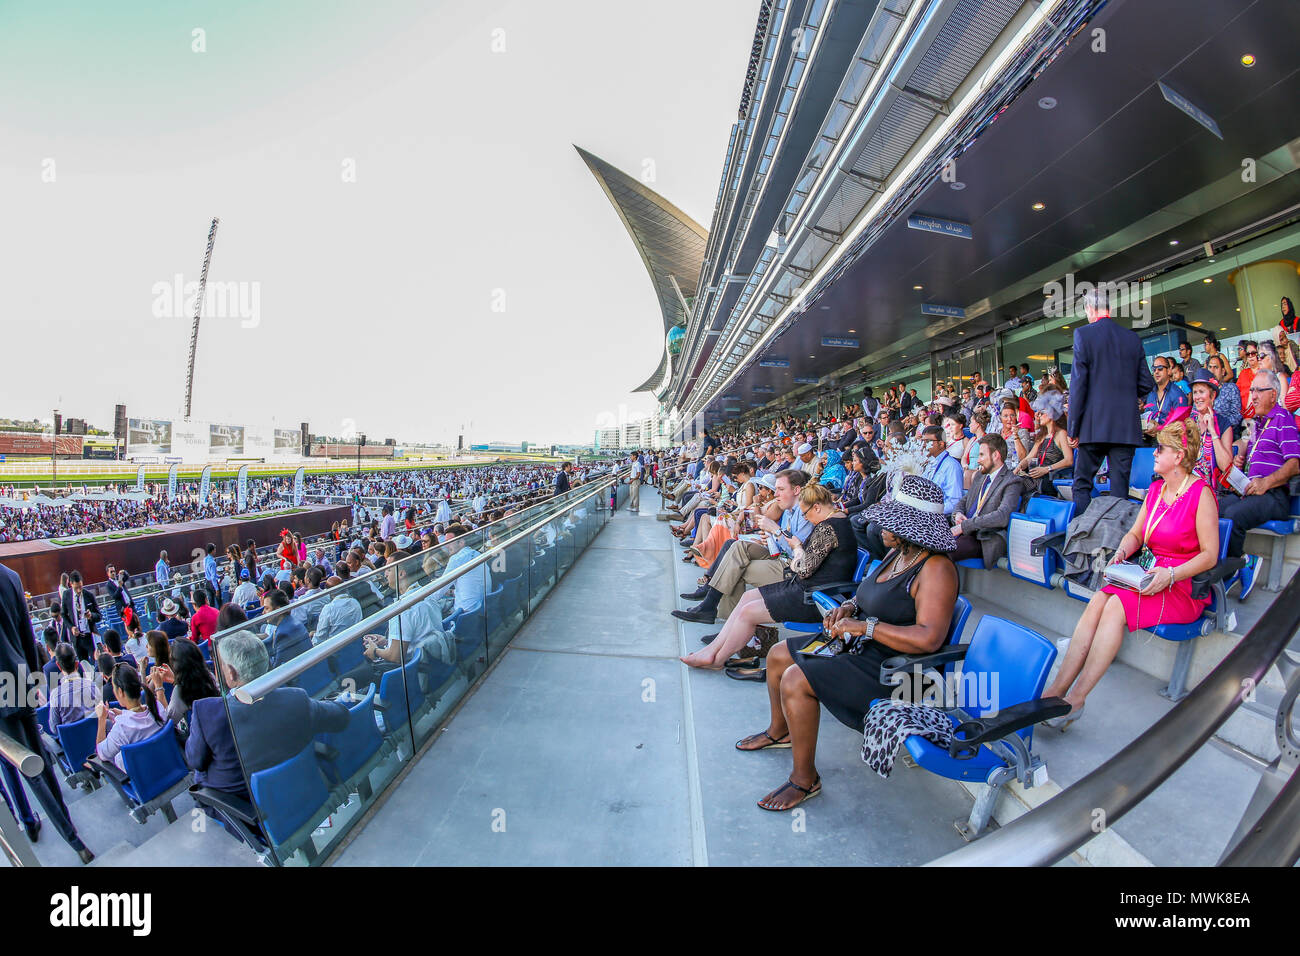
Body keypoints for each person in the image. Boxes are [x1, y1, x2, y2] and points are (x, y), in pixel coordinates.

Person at [735, 475, 959, 810]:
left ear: (910, 527)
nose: (879, 527)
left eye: (890, 522)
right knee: (780, 654)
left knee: (797, 678)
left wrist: (864, 627)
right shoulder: (897, 555)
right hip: (863, 648)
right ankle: (779, 730)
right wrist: (849, 607)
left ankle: (804, 779)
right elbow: (868, 594)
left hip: (893, 669)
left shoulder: (937, 569)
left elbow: (928, 638)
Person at [1042, 416, 1219, 726]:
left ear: (1178, 456)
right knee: (1100, 598)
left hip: (1179, 585)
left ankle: (1077, 699)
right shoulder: (1156, 490)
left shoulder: (1200, 494)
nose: (1153, 452)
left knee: (1115, 606)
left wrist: (1172, 575)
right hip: (1149, 575)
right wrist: (1121, 552)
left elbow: (1210, 555)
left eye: (1160, 448)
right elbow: (1136, 534)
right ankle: (1057, 690)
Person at [680, 483, 857, 669]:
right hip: (805, 588)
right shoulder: (837, 522)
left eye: (806, 513)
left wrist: (796, 547)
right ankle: (713, 649)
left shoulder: (828, 528)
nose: (806, 518)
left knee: (748, 612)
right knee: (747, 597)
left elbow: (803, 569)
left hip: (810, 597)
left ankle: (717, 658)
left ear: (817, 507)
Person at [0, 562, 95, 861]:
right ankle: (70, 831)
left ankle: (35, 825)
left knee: (17, 767)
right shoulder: (10, 577)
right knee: (39, 762)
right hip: (17, 680)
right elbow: (27, 636)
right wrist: (34, 679)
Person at [186, 633, 348, 804]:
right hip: (296, 793)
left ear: (232, 673)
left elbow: (195, 761)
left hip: (245, 808)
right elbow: (341, 717)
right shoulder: (296, 698)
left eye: (220, 664)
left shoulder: (206, 711)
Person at [1068, 288, 1156, 512]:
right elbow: (1146, 383)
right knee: (1119, 488)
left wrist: (1072, 429)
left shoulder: (1083, 334)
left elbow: (1078, 386)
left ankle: (1083, 536)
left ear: (1089, 308)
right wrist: (1126, 395)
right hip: (1125, 427)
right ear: (1110, 307)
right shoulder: (1131, 338)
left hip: (1093, 425)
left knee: (1082, 484)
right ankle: (1117, 541)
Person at [1219, 368, 1300, 598]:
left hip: (1274, 496)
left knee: (1233, 515)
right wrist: (1242, 458)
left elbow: (1294, 464)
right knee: (1214, 507)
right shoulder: (1257, 423)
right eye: (1251, 390)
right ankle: (1242, 562)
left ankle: (1234, 570)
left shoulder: (1282, 418)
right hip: (1253, 492)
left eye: (1258, 390)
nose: (1252, 395)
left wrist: (1266, 482)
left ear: (1273, 394)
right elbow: (1253, 450)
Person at [951, 435, 1023, 567]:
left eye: (982, 455)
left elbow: (1002, 516)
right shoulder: (980, 476)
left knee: (944, 550)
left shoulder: (1012, 481)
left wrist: (965, 526)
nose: (978, 460)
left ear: (996, 455)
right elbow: (964, 500)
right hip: (966, 531)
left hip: (984, 537)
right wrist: (958, 514)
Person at [94, 664, 165, 772]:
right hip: (166, 767)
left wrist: (101, 719)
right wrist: (123, 713)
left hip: (144, 779)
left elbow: (102, 754)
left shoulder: (121, 729)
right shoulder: (158, 708)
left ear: (121, 692)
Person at [146, 638, 218, 742]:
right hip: (216, 729)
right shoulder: (210, 676)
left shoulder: (180, 692)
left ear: (177, 665)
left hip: (199, 742)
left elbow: (167, 721)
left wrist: (159, 687)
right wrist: (176, 680)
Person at [1015, 389, 1074, 497]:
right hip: (1037, 477)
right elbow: (1029, 458)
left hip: (1050, 478)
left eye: (1041, 413)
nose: (1037, 415)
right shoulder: (1042, 435)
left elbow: (1069, 460)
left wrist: (1047, 469)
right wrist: (1020, 466)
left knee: (1014, 486)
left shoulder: (1061, 433)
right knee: (1012, 482)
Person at [1188, 372, 1234, 494]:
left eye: (1201, 392)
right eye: (1195, 392)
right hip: (1187, 486)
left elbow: (1226, 467)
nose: (1197, 397)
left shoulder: (1224, 424)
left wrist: (1213, 431)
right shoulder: (1188, 423)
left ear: (1212, 396)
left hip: (1211, 491)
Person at [47, 642, 99, 735]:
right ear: (77, 663)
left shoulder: (55, 695)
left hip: (72, 746)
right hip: (96, 742)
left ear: (58, 665)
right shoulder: (91, 686)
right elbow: (102, 713)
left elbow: (54, 729)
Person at [920, 426, 964, 514]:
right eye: (922, 441)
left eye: (928, 441)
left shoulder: (952, 466)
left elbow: (954, 502)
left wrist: (929, 511)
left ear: (941, 444)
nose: (923, 445)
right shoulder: (928, 463)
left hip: (937, 517)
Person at [59, 570, 99, 661]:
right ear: (71, 584)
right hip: (77, 639)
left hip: (90, 637)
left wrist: (91, 615)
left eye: (80, 587)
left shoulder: (89, 595)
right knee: (83, 667)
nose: (79, 590)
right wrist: (71, 627)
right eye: (76, 588)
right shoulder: (66, 595)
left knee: (96, 665)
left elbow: (99, 616)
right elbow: (63, 614)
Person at [1144, 355, 1189, 434]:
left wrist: (1160, 428)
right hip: (1151, 442)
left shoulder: (1178, 394)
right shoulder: (1151, 395)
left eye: (1160, 368)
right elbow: (1147, 416)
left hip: (1171, 443)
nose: (1156, 372)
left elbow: (1181, 425)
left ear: (1168, 371)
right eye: (1154, 369)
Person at [1207, 352, 1243, 435]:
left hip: (1228, 433)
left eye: (1216, 367)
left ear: (1223, 371)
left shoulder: (1231, 388)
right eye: (1210, 367)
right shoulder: (1203, 390)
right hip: (1206, 435)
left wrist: (1217, 424)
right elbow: (1194, 413)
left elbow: (1237, 416)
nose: (1212, 371)